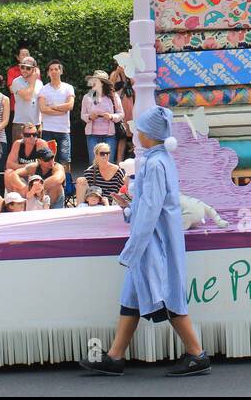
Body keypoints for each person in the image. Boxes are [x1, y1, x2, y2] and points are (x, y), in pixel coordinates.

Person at [78, 106, 210, 377]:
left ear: (149, 134)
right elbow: (151, 205)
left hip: (154, 241)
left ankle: (197, 353)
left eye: (140, 129)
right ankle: (115, 356)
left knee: (165, 292)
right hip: (157, 237)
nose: (136, 132)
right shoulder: (160, 160)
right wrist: (130, 209)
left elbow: (150, 210)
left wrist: (133, 247)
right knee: (135, 293)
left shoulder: (154, 163)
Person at [38, 61, 75, 168]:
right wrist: (61, 110)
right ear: (48, 73)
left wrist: (53, 107)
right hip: (48, 130)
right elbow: (43, 109)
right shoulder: (44, 89)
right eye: (51, 69)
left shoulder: (68, 88)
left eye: (56, 69)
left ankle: (66, 184)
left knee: (65, 160)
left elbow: (70, 106)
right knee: (47, 159)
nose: (53, 71)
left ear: (61, 71)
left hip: (63, 131)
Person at [81, 71, 121, 163]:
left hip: (109, 135)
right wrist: (90, 117)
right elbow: (83, 115)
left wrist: (111, 116)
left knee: (108, 162)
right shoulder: (87, 97)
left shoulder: (113, 97)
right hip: (92, 135)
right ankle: (94, 178)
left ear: (103, 84)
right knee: (94, 162)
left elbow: (121, 114)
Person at [9, 52, 41, 146]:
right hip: (20, 124)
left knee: (37, 155)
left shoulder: (39, 83)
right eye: (22, 67)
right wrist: (33, 82)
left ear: (34, 70)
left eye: (28, 68)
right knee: (19, 155)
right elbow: (27, 97)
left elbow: (40, 103)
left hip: (36, 124)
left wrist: (41, 123)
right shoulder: (16, 81)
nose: (24, 70)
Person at [111, 68, 135, 162]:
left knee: (132, 135)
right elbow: (110, 85)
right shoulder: (115, 74)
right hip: (121, 110)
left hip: (131, 110)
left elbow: (134, 84)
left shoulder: (131, 75)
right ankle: (119, 161)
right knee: (122, 136)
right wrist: (118, 72)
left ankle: (133, 155)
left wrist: (126, 74)